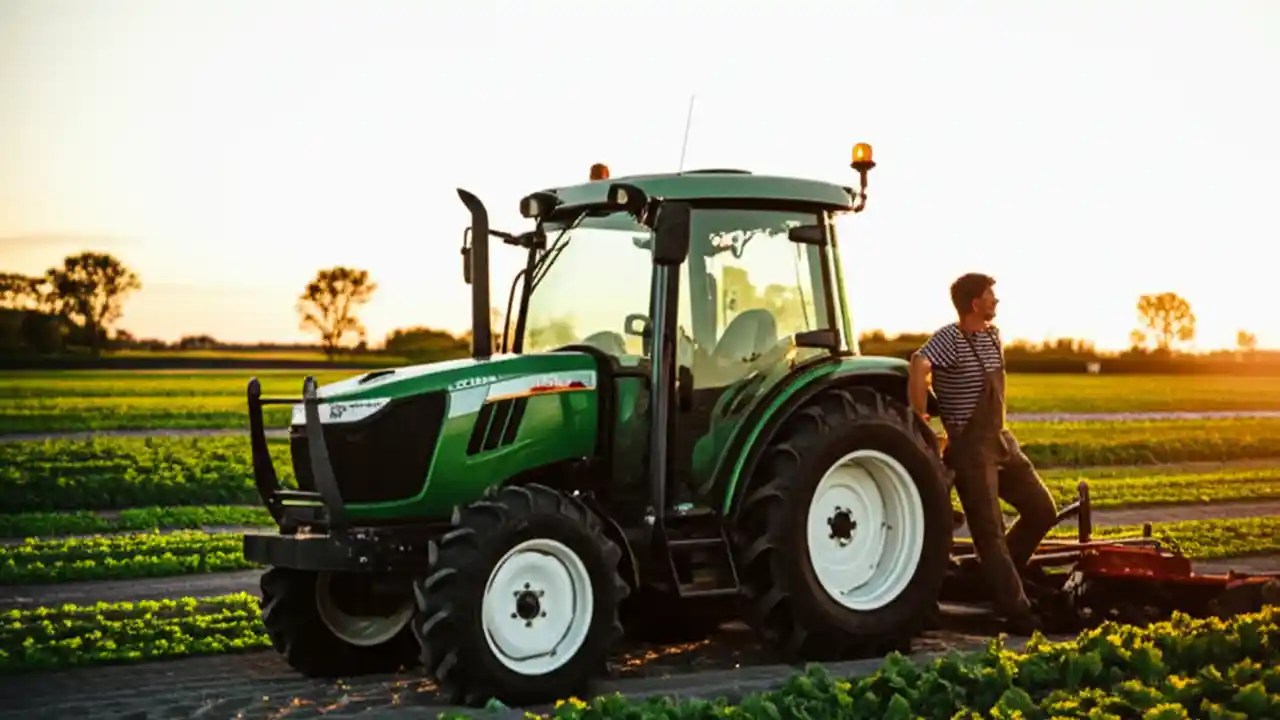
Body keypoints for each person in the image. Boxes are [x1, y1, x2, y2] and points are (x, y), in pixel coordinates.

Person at [908, 272, 1057, 633]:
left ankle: (989, 576)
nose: (996, 301)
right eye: (991, 295)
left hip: (1001, 440)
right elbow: (917, 363)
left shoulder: (993, 336)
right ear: (975, 303)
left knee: (1042, 510)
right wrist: (921, 417)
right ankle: (1016, 610)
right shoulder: (950, 339)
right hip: (970, 450)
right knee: (989, 533)